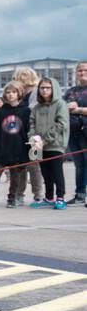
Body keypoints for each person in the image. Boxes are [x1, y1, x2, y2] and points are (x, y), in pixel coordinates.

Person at [0, 83, 31, 208]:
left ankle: (12, 198)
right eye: (8, 92)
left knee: (15, 177)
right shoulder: (0, 112)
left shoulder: (26, 111)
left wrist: (28, 152)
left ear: (19, 93)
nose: (10, 94)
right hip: (2, 150)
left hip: (18, 150)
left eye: (13, 92)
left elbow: (28, 131)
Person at [29, 76, 70, 209]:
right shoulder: (36, 108)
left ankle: (60, 197)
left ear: (54, 89)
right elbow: (31, 125)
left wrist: (45, 140)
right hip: (40, 145)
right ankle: (48, 197)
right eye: (42, 88)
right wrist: (34, 139)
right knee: (45, 172)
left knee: (56, 171)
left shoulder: (60, 104)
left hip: (56, 144)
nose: (45, 90)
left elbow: (61, 124)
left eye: (48, 88)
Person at [11, 67, 45, 205]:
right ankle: (19, 194)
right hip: (20, 133)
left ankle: (38, 194)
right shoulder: (19, 93)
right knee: (20, 165)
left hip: (33, 133)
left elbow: (33, 110)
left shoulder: (36, 91)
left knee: (33, 165)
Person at [63, 61, 87, 204]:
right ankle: (80, 194)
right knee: (79, 164)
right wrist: (67, 107)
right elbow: (61, 109)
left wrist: (78, 110)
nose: (82, 73)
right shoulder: (71, 91)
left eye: (85, 70)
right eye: (79, 71)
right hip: (73, 132)